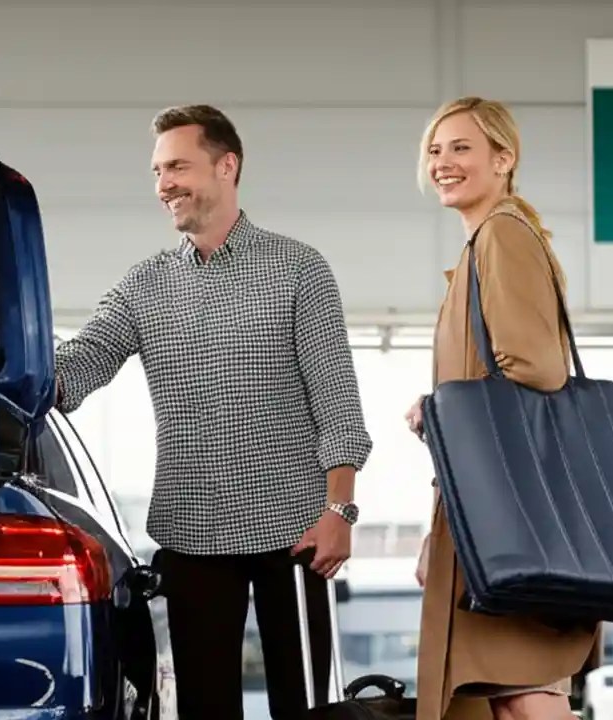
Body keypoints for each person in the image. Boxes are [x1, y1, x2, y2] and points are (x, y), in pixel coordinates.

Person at [53, 104, 373, 719]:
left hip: (297, 532)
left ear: (227, 166)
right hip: (193, 532)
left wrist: (340, 511)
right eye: (156, 171)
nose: (163, 183)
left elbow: (337, 403)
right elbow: (85, 360)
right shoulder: (143, 284)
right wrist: (21, 370)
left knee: (307, 710)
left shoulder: (298, 268)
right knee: (204, 710)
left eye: (177, 165)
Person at [404, 96, 603, 720]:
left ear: (504, 158)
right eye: (435, 151)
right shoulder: (486, 243)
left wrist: (439, 408)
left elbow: (538, 368)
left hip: (509, 515)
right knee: (496, 699)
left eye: (461, 148)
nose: (443, 162)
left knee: (522, 695)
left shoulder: (502, 236)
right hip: (494, 512)